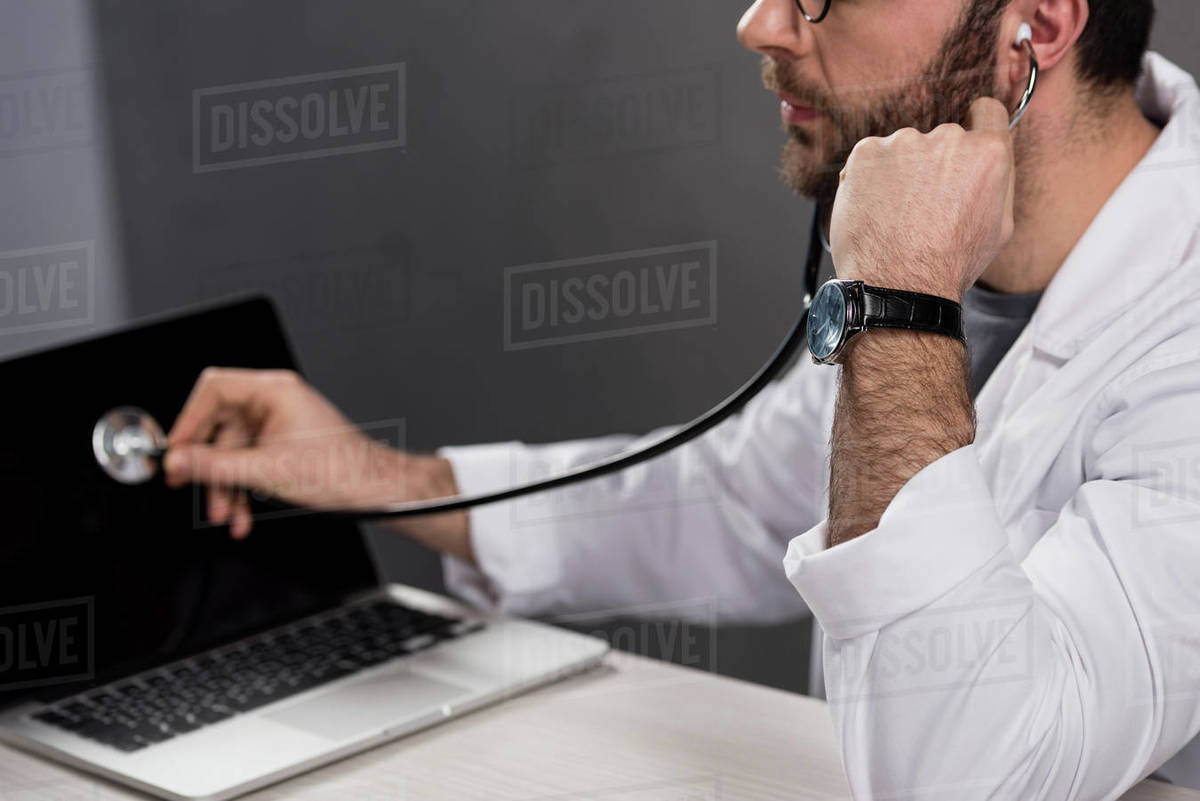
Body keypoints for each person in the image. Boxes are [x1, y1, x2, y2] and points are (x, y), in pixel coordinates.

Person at [164, 0, 1200, 796]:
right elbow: (743, 501)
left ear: (1041, 24)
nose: (759, 25)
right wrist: (385, 480)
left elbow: (970, 773)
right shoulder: (953, 261)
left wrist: (896, 304)